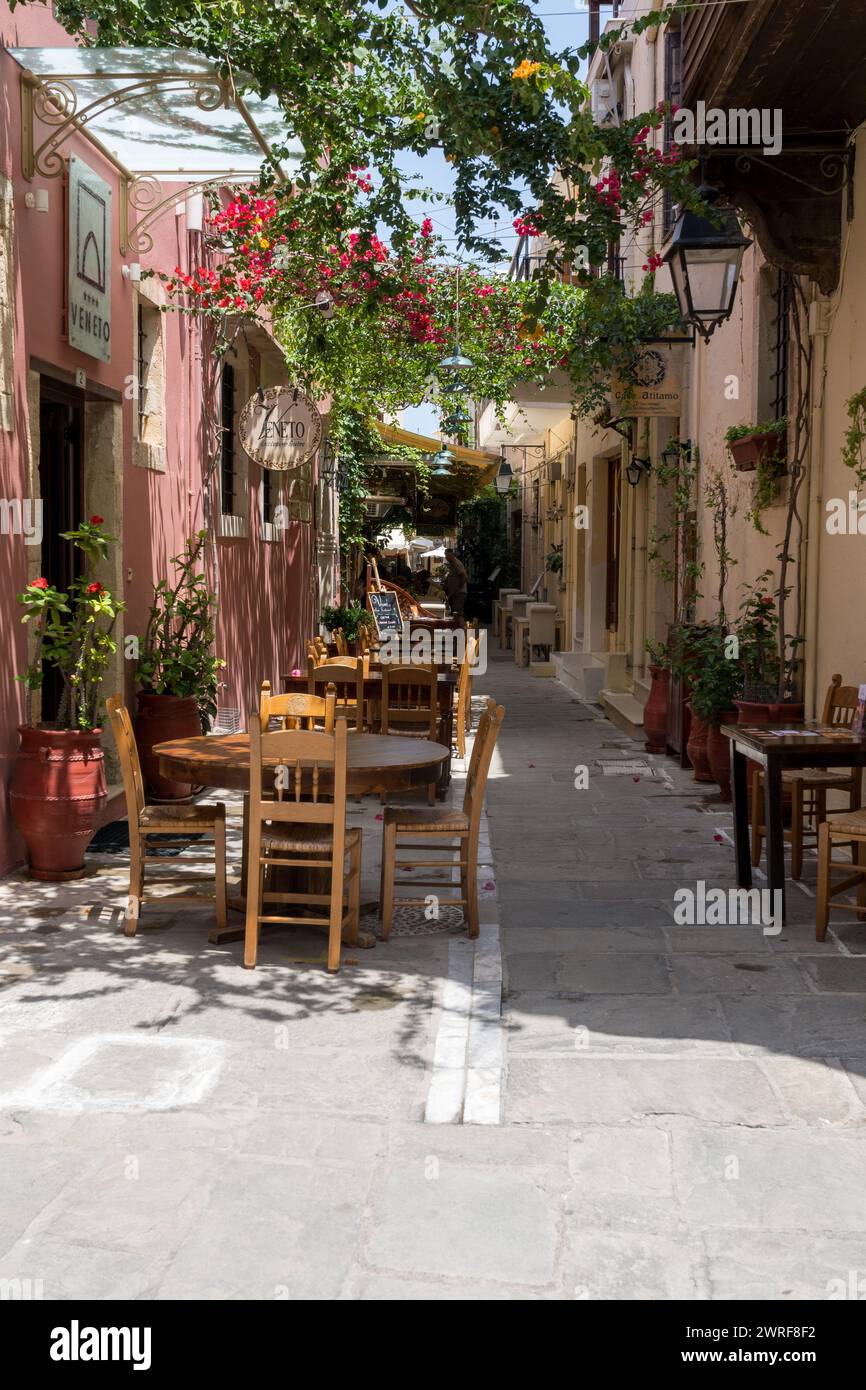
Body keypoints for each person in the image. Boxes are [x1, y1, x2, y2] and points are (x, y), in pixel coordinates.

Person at [442, 548, 469, 629]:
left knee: (459, 614)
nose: (446, 557)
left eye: (448, 555)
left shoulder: (456, 563)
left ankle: (465, 633)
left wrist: (458, 588)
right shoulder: (452, 564)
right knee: (455, 614)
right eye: (446, 555)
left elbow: (464, 576)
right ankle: (458, 632)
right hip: (455, 593)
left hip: (459, 593)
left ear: (453, 555)